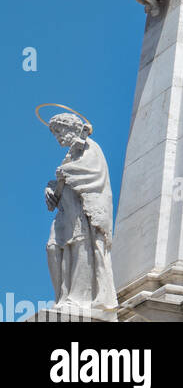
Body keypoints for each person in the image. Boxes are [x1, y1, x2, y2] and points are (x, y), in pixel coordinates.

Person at [44, 112, 117, 316]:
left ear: (72, 128)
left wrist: (68, 172)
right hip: (65, 212)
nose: (58, 136)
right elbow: (62, 180)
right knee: (53, 248)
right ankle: (62, 296)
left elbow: (94, 174)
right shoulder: (72, 153)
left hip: (81, 211)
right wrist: (51, 189)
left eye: (60, 131)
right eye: (55, 133)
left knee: (80, 247)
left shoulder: (88, 147)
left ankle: (78, 298)